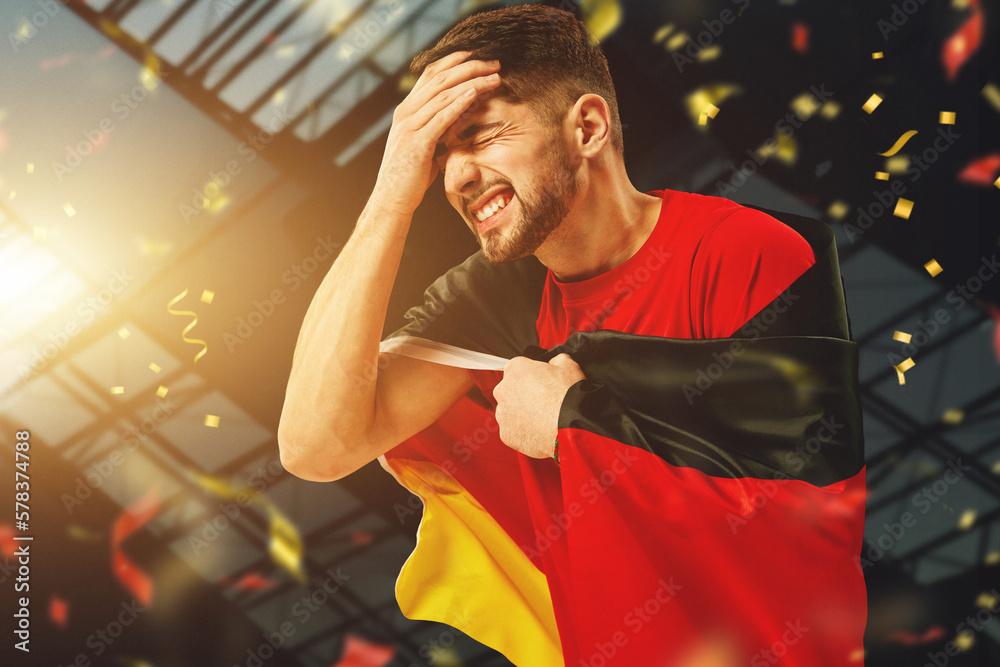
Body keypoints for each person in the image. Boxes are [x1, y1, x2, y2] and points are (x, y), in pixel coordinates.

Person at [279, 5, 866, 666]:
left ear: (587, 126)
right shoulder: (496, 298)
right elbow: (316, 446)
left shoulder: (745, 250)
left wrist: (572, 422)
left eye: (481, 135)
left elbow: (802, 527)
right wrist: (391, 190)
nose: (455, 177)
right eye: (438, 156)